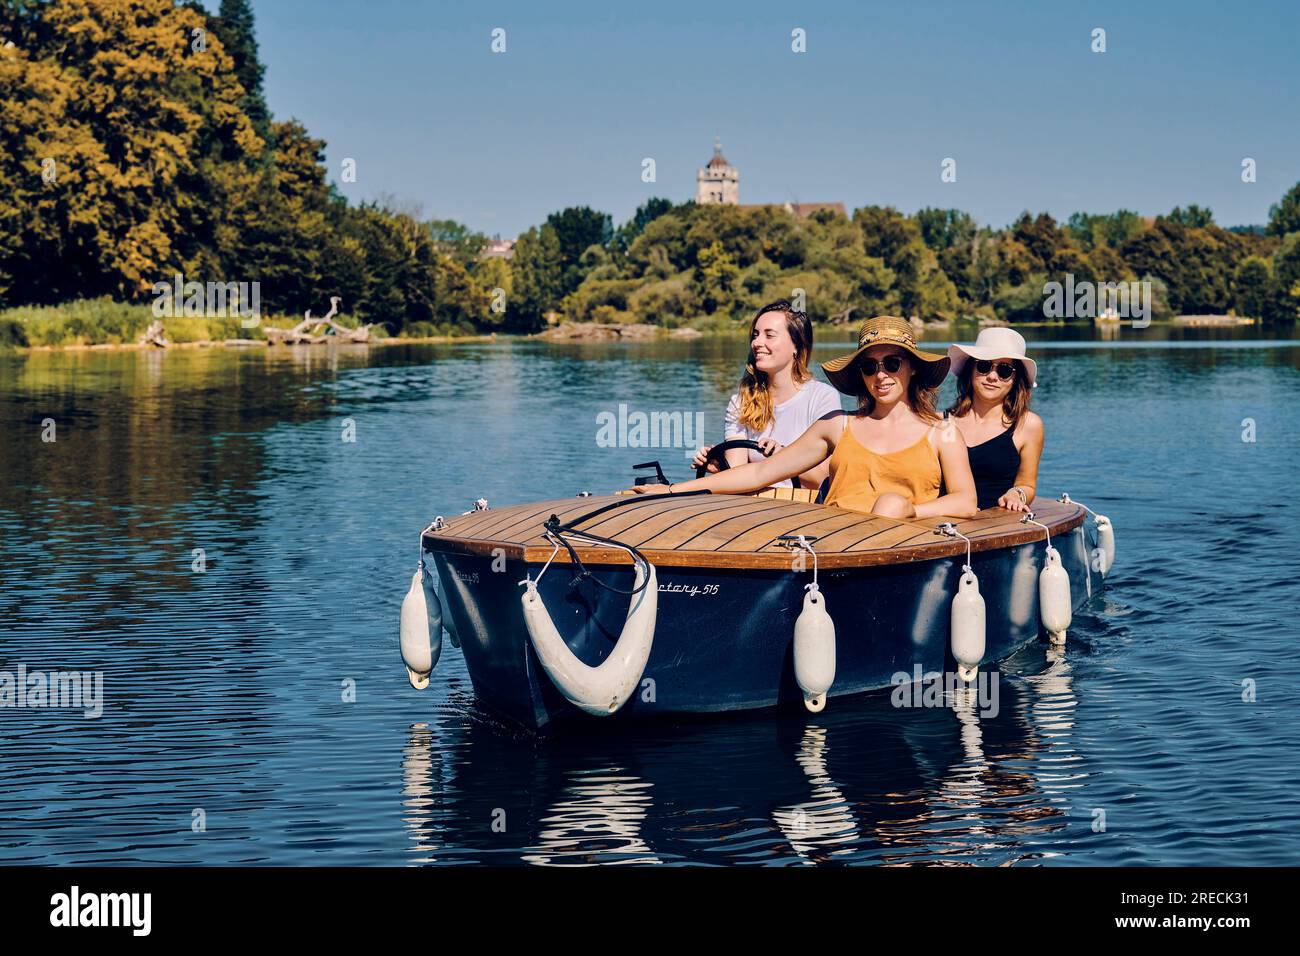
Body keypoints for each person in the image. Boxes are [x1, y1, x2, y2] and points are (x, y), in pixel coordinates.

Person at [635, 316, 978, 519]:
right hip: (834, 547)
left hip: (902, 551)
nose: (881, 375)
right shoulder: (837, 425)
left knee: (889, 505)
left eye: (892, 364)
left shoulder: (943, 432)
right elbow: (761, 472)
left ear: (912, 368)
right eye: (869, 366)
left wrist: (912, 511)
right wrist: (672, 491)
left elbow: (966, 501)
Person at [690, 301, 840, 489]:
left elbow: (824, 480)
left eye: (769, 335)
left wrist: (783, 456)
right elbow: (737, 471)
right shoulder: (741, 401)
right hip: (755, 508)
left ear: (797, 346)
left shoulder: (822, 398)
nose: (757, 343)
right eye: (755, 335)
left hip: (805, 510)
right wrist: (721, 466)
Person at [946, 327, 1044, 512]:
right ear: (971, 369)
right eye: (984, 366)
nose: (992, 377)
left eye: (1004, 370)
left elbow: (1027, 485)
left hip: (996, 528)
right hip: (945, 526)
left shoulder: (1028, 425)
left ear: (1016, 378)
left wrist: (1016, 494)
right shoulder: (942, 422)